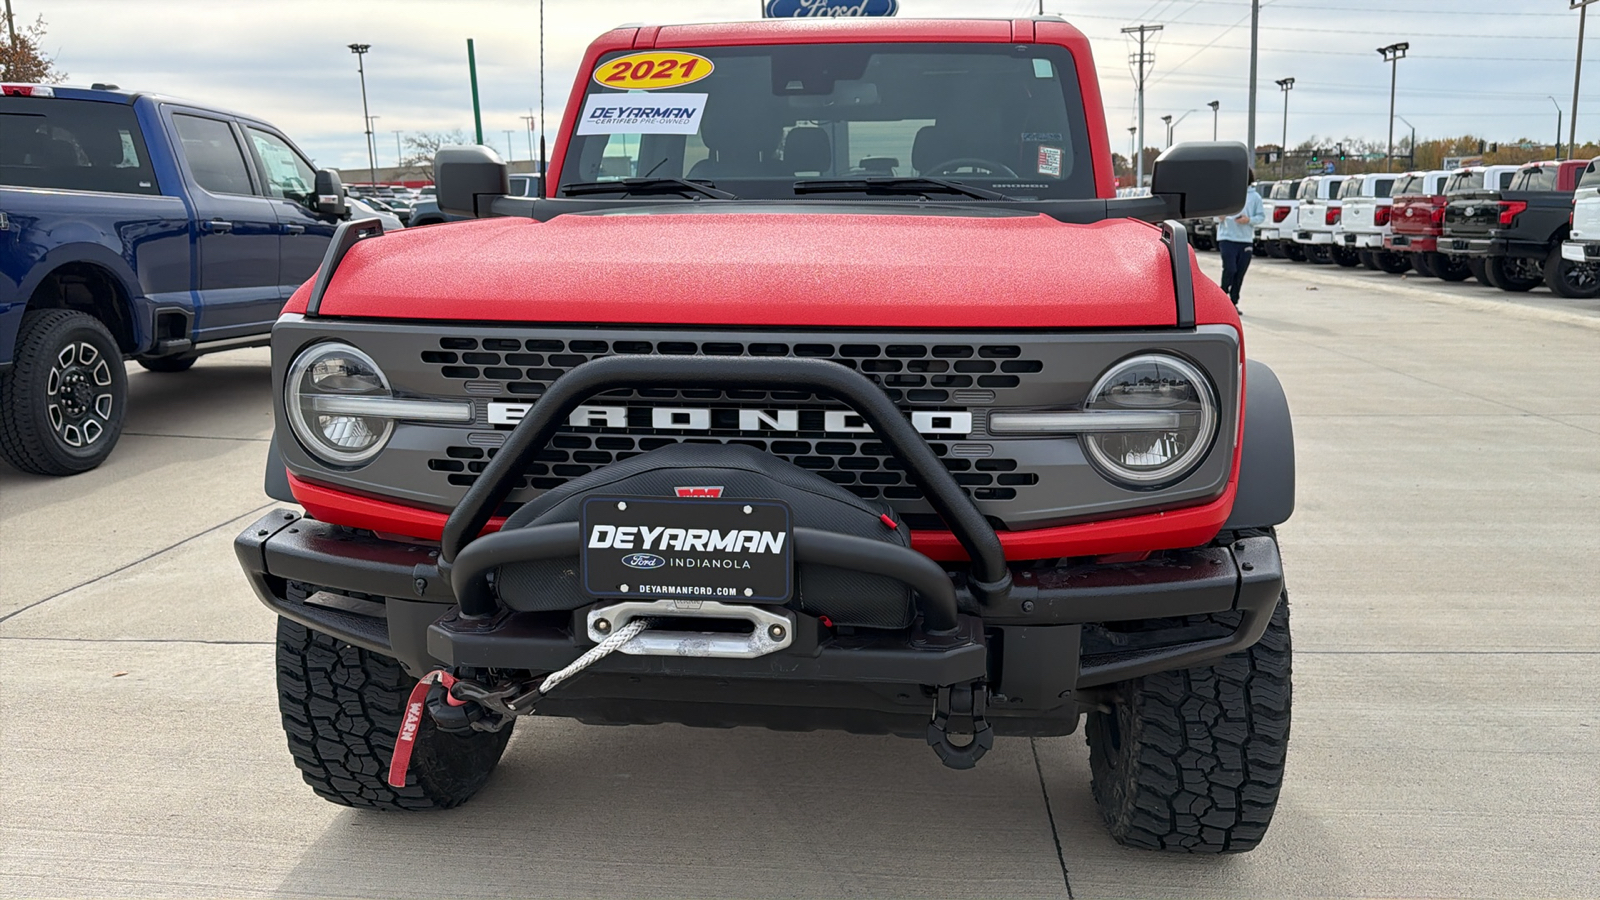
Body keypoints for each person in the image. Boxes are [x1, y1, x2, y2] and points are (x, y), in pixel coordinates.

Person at [1216, 171, 1266, 307]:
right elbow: (1215, 214)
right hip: (1226, 238)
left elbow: (1261, 217)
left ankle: (1233, 303)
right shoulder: (1227, 195)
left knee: (1240, 273)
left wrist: (1249, 220)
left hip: (1245, 240)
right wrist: (1219, 217)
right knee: (1230, 269)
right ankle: (1222, 295)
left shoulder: (1255, 197)